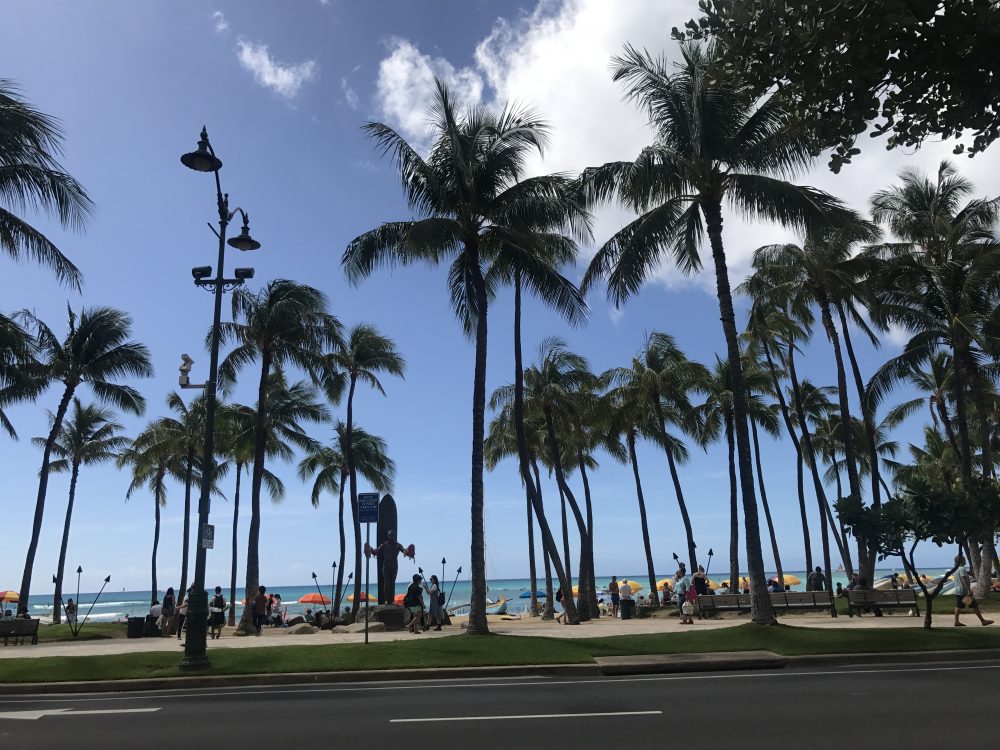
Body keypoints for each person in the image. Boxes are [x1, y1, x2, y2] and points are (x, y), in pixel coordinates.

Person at [953, 554, 994, 627]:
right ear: (961, 560)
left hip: (958, 590)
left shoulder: (955, 569)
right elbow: (964, 579)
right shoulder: (962, 569)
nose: (965, 560)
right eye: (963, 559)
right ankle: (983, 621)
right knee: (974, 605)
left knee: (959, 606)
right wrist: (969, 590)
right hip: (963, 591)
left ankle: (957, 621)